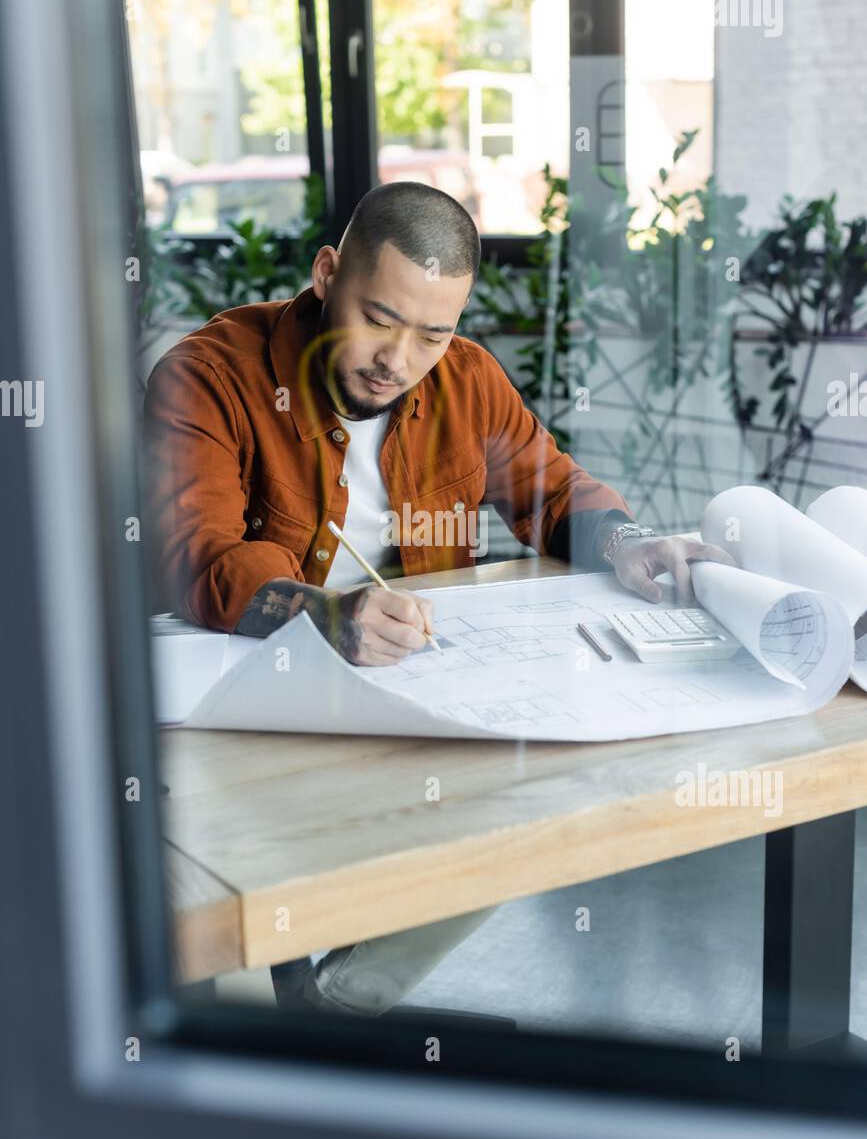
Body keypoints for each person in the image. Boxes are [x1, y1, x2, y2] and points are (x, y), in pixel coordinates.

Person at [143, 181, 732, 1018]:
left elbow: (555, 493)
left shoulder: (466, 380)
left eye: (433, 333)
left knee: (533, 802)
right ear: (324, 275)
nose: (398, 360)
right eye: (378, 319)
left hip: (406, 682)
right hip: (248, 682)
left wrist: (631, 546)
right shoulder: (209, 376)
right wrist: (325, 615)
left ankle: (333, 1013)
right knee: (222, 896)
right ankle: (286, 1039)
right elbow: (195, 557)